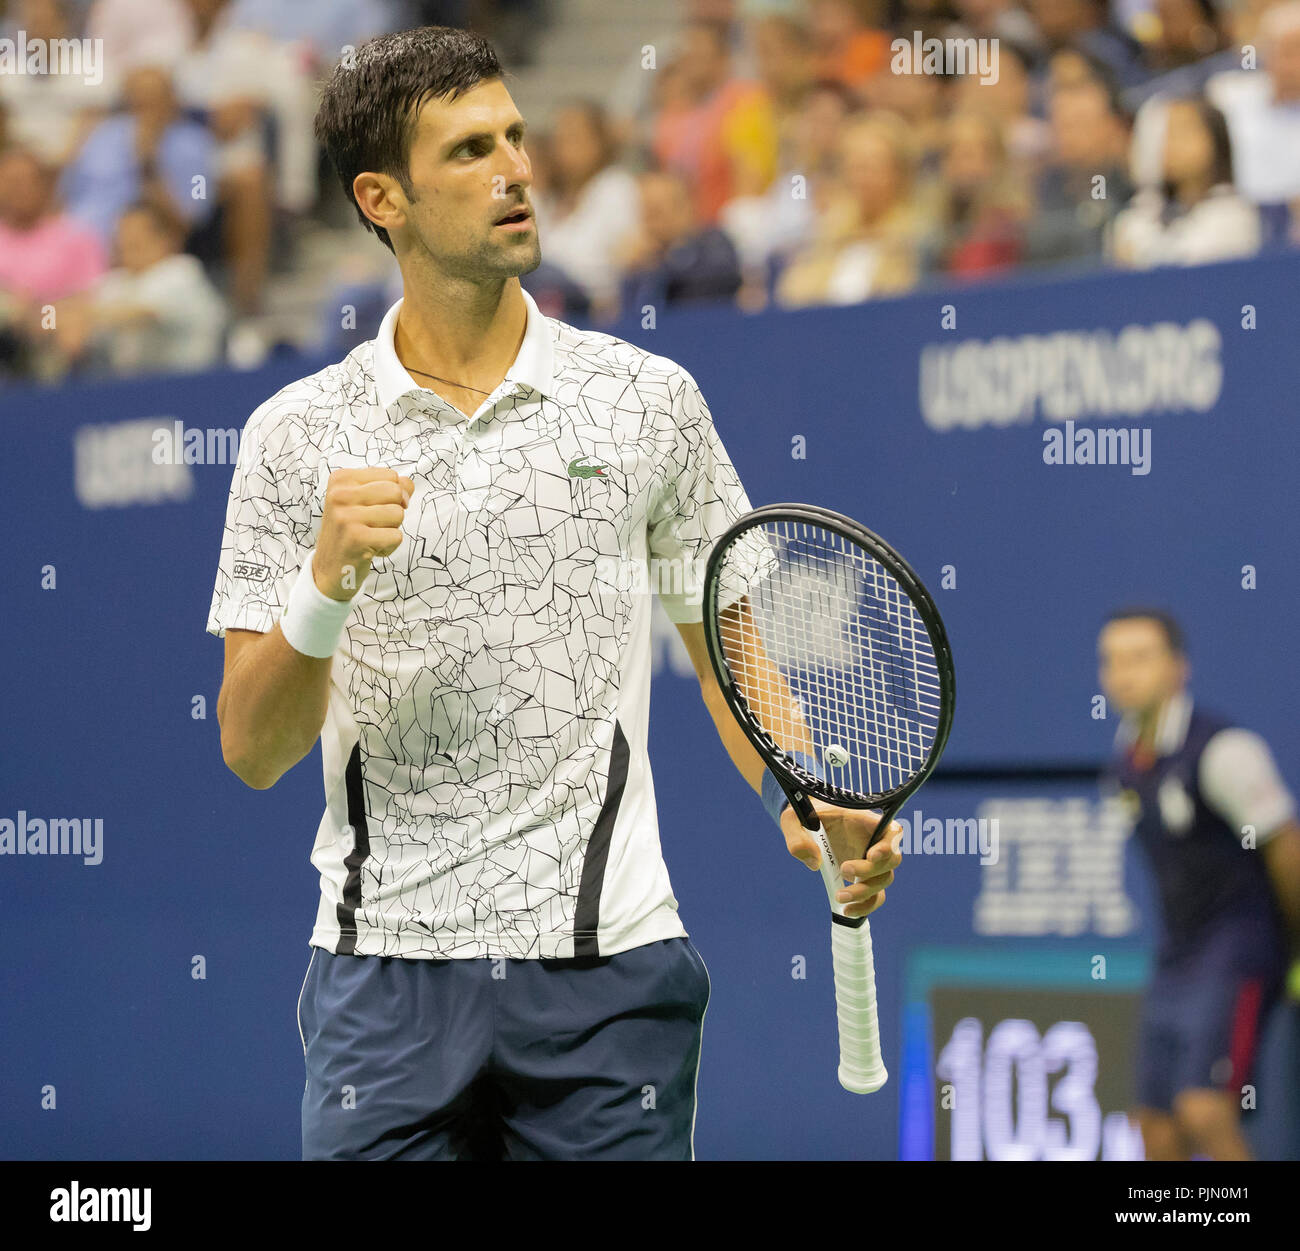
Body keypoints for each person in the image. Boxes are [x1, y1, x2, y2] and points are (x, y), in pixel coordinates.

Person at [207, 25, 903, 1162]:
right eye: (469, 151)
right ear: (382, 199)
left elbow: (727, 649)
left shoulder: (645, 400)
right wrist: (323, 587)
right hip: (382, 981)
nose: (516, 170)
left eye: (516, 138)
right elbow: (250, 747)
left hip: (609, 975)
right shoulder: (293, 437)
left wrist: (801, 794)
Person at [1098, 609, 1300, 1160]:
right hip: (1177, 957)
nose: (1124, 673)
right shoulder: (1125, 762)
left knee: (1204, 1110)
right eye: (1113, 660)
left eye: (1141, 657)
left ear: (1177, 668)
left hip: (1239, 949)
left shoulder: (1225, 752)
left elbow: (1286, 847)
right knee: (1154, 1127)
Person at [1109, 97, 1260, 268]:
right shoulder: (1138, 215)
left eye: (1183, 132)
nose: (1170, 144)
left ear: (1214, 139)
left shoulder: (1233, 213)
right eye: (1164, 134)